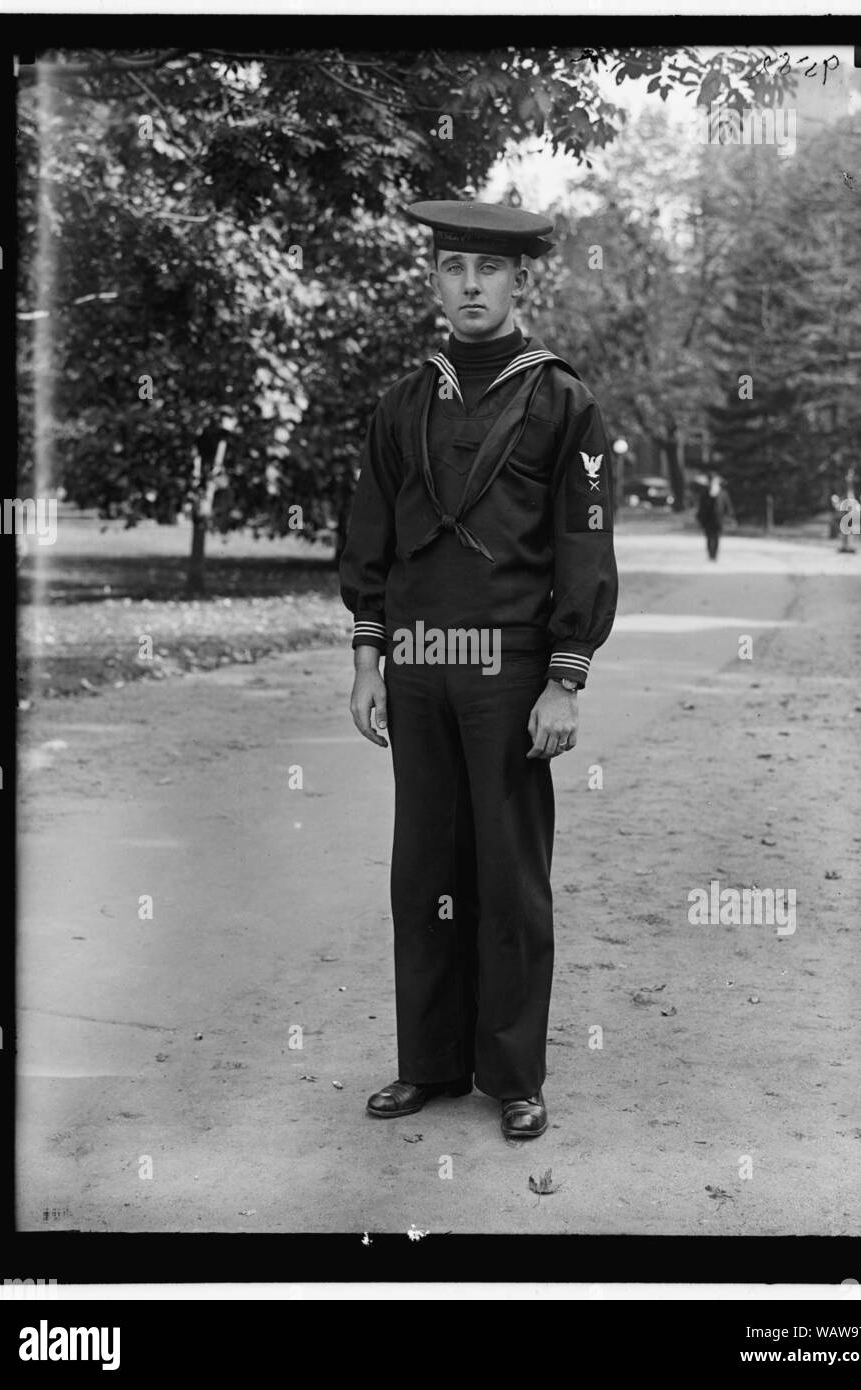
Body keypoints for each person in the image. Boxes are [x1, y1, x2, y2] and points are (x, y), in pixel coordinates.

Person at [338, 200, 618, 1140]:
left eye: (487, 271)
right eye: (453, 268)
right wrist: (369, 658)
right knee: (422, 871)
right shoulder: (402, 402)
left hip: (508, 668)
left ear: (517, 283)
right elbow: (370, 537)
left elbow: (584, 545)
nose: (469, 286)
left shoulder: (564, 401)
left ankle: (513, 1076)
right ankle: (429, 1064)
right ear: (434, 281)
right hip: (416, 664)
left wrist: (565, 676)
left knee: (507, 873)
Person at [696, 472, 733, 560]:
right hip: (707, 518)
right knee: (709, 537)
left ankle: (714, 554)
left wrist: (730, 516)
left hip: (718, 519)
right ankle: (710, 554)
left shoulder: (722, 493)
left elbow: (727, 505)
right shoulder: (704, 492)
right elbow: (701, 507)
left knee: (716, 537)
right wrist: (699, 517)